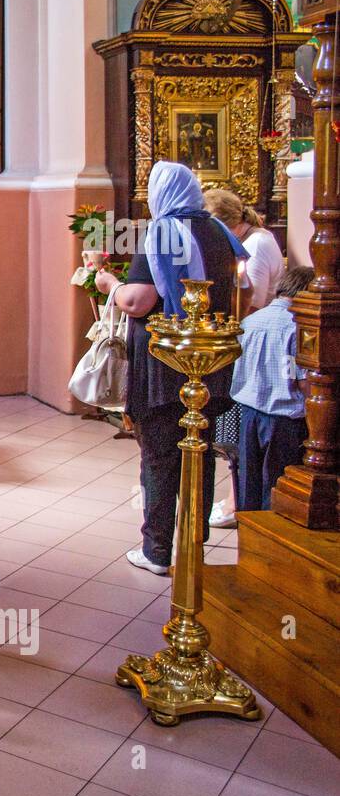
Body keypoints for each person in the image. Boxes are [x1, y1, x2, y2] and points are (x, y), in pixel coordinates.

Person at [94, 161, 243, 576]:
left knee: (160, 454)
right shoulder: (218, 231)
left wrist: (110, 286)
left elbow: (138, 301)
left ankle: (157, 550)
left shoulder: (164, 231)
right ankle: (194, 542)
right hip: (210, 363)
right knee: (200, 451)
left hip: (167, 363)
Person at [202, 189, 284, 527]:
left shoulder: (255, 244)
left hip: (254, 343)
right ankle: (237, 497)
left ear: (224, 223)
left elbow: (251, 302)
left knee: (239, 430)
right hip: (250, 340)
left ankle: (239, 502)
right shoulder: (252, 239)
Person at [231, 267, 313, 512]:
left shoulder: (250, 321)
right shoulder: (298, 327)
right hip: (283, 420)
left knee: (249, 485)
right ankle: (269, 545)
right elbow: (303, 381)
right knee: (277, 488)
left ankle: (248, 540)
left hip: (248, 415)